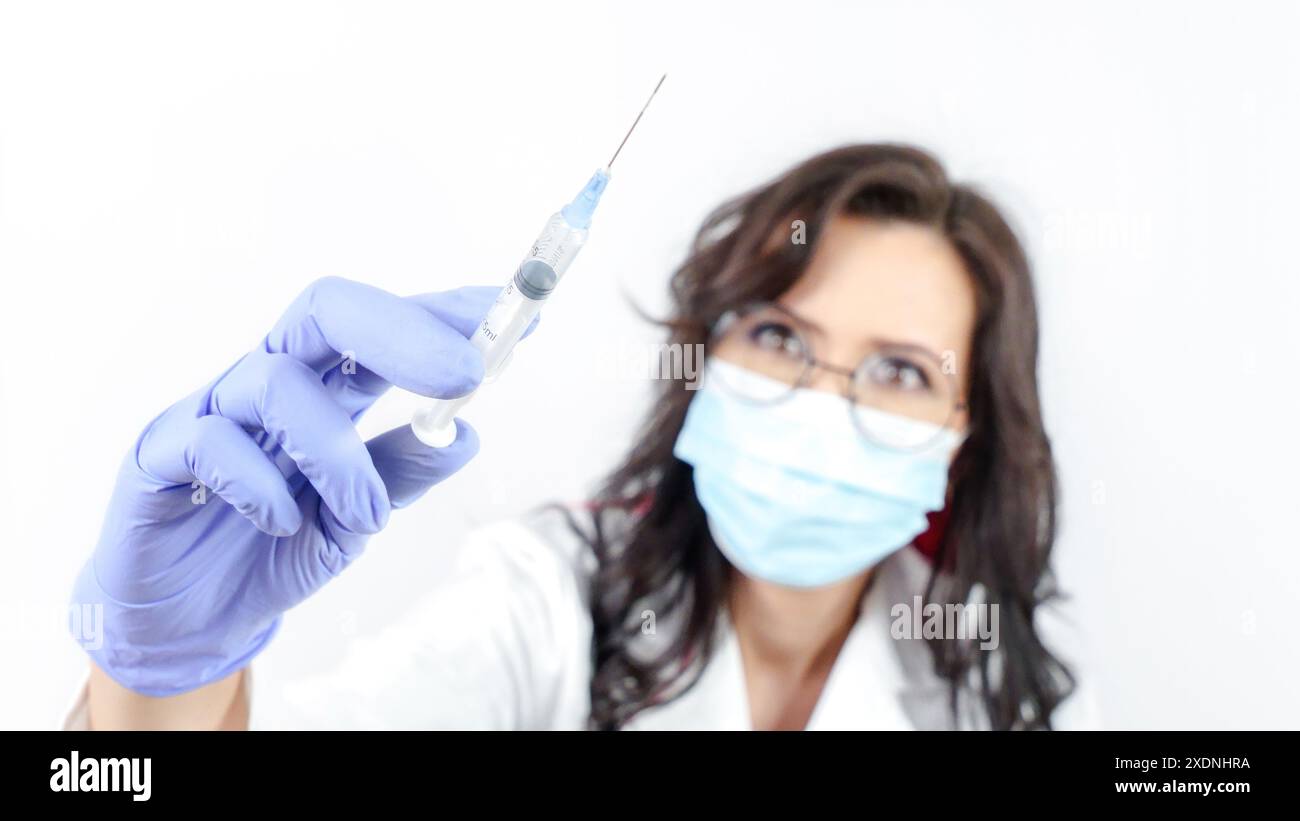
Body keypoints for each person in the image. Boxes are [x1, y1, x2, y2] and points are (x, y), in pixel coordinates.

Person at [64, 143, 1095, 730]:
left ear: (962, 431)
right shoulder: (550, 602)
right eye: (781, 336)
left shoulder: (991, 683)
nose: (821, 400)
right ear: (705, 361)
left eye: (901, 369)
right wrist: (158, 680)